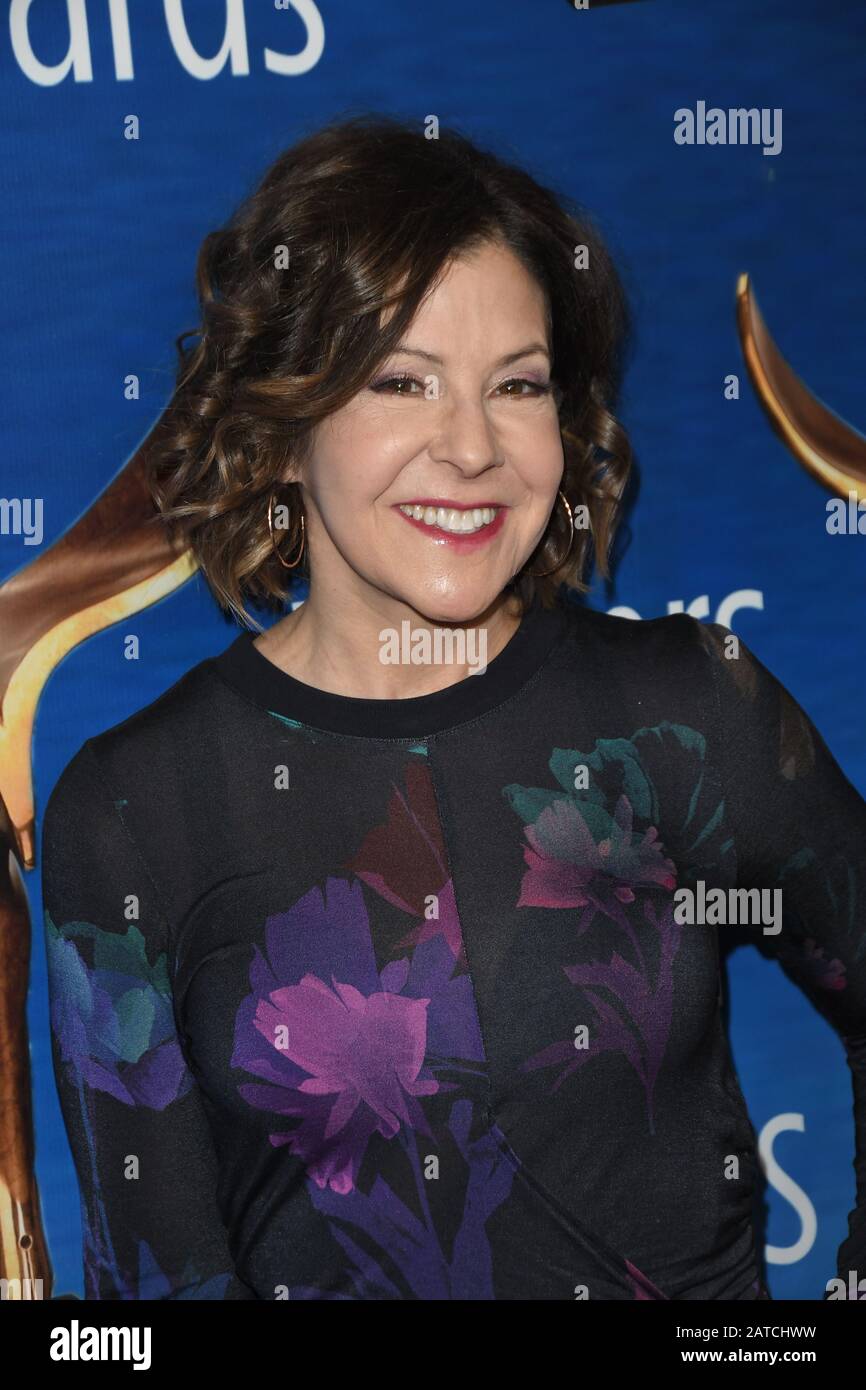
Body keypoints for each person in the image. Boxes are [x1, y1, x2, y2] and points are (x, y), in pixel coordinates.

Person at [41, 113, 865, 1301]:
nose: (470, 446)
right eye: (399, 381)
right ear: (280, 427)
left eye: (515, 385)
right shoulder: (134, 806)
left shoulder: (688, 709)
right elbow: (142, 1303)